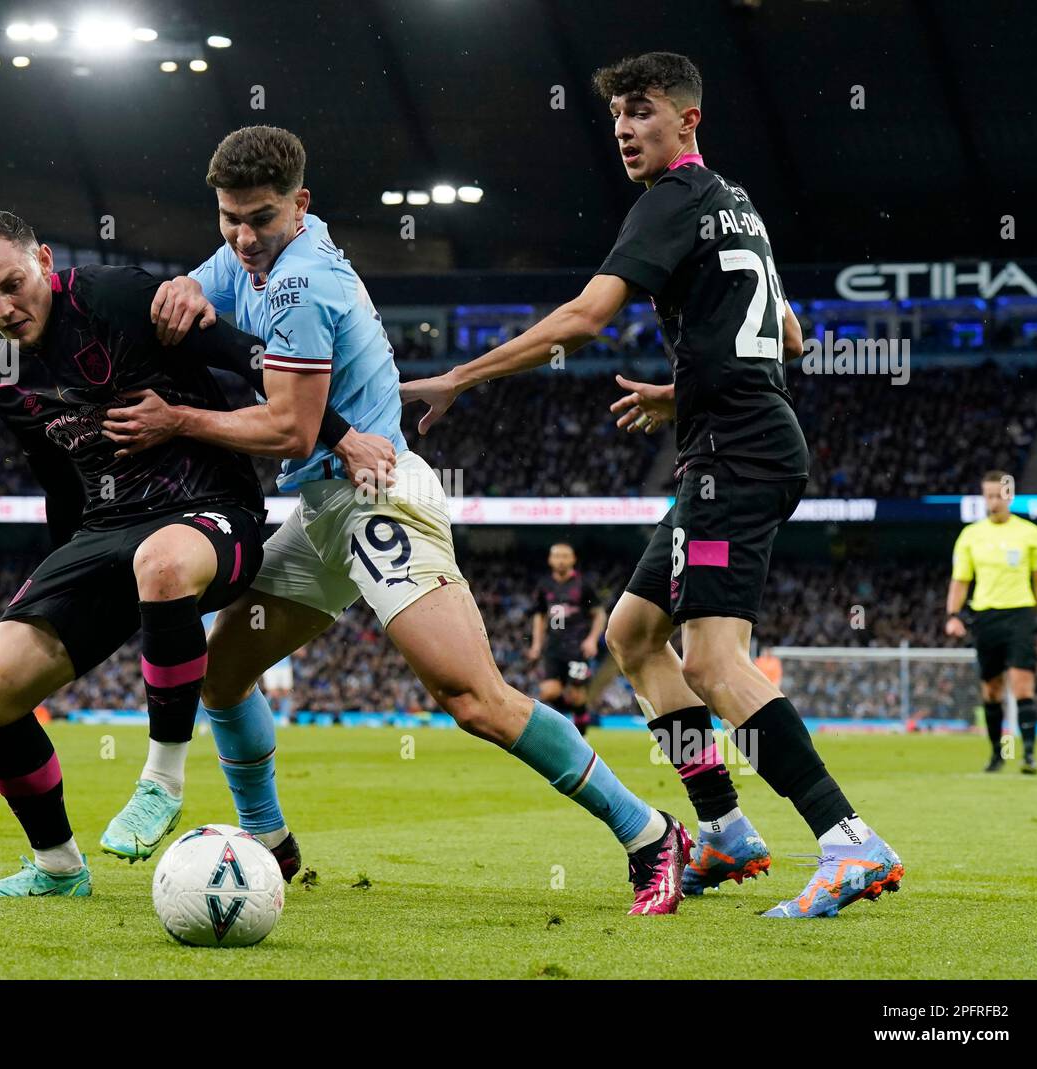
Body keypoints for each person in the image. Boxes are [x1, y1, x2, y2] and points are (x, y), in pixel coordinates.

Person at [120, 124, 691, 915]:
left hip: (379, 497)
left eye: (260, 217)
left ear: (301, 206)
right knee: (221, 676)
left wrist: (175, 419)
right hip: (325, 505)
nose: (244, 237)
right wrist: (181, 284)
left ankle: (651, 833)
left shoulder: (302, 281)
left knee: (474, 698)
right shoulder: (258, 252)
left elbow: (289, 428)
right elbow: (207, 287)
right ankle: (271, 847)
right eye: (229, 217)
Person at [400, 52, 904, 918]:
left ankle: (848, 839)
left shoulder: (670, 200)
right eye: (617, 118)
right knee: (633, 634)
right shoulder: (737, 204)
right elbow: (787, 336)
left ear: (687, 119)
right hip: (734, 443)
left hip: (734, 458)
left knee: (712, 659)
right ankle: (725, 827)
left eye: (641, 112)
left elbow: (587, 318)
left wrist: (460, 378)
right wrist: (685, 390)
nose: (626, 130)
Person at [0, 209, 391, 896]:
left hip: (213, 511)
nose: (3, 307)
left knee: (162, 561)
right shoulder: (8, 382)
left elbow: (253, 358)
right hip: (102, 533)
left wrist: (340, 434)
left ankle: (162, 779)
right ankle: (58, 867)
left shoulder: (114, 296)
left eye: (12, 284)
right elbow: (62, 491)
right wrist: (72, 599)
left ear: (42, 257)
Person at [946, 471, 1037, 773]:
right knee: (991, 690)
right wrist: (953, 615)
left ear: (1009, 495)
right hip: (986, 617)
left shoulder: (1030, 534)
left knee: (1023, 686)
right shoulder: (971, 535)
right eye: (988, 495)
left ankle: (1029, 755)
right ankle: (997, 755)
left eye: (997, 495)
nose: (992, 501)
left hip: (1020, 614)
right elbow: (960, 581)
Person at [527, 543, 606, 735]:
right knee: (549, 692)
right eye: (557, 556)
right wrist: (537, 644)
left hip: (578, 647)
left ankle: (581, 736)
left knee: (577, 695)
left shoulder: (583, 585)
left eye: (565, 556)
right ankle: (577, 716)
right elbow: (539, 615)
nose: (561, 560)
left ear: (573, 559)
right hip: (553, 647)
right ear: (550, 560)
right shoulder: (545, 585)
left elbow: (600, 614)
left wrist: (592, 639)